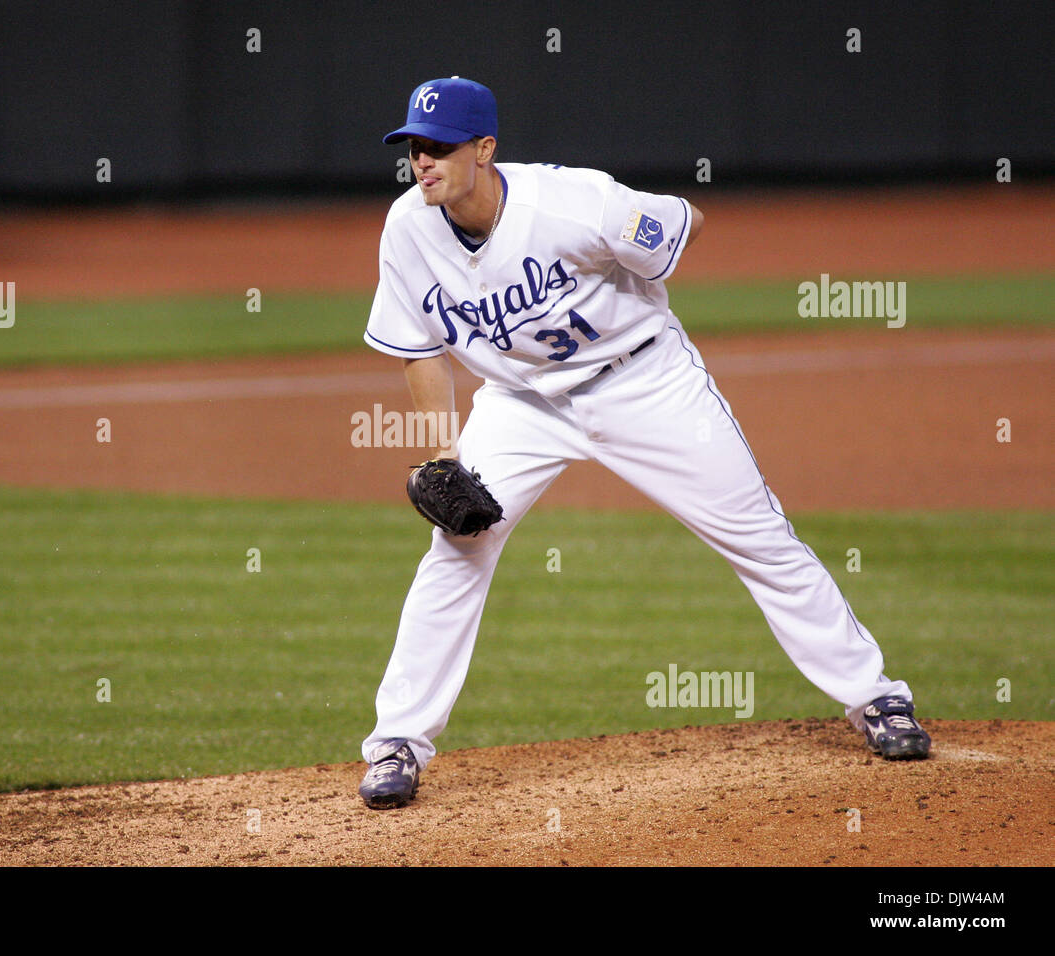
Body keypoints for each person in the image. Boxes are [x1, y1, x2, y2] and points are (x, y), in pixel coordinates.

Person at [357, 77, 930, 810]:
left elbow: (684, 220)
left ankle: (876, 698)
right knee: (457, 550)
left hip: (644, 382)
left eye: (439, 147)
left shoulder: (573, 203)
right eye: (414, 148)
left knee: (757, 534)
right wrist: (443, 454)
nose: (423, 161)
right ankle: (398, 745)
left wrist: (627, 253)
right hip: (522, 402)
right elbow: (418, 348)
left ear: (485, 148)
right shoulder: (407, 227)